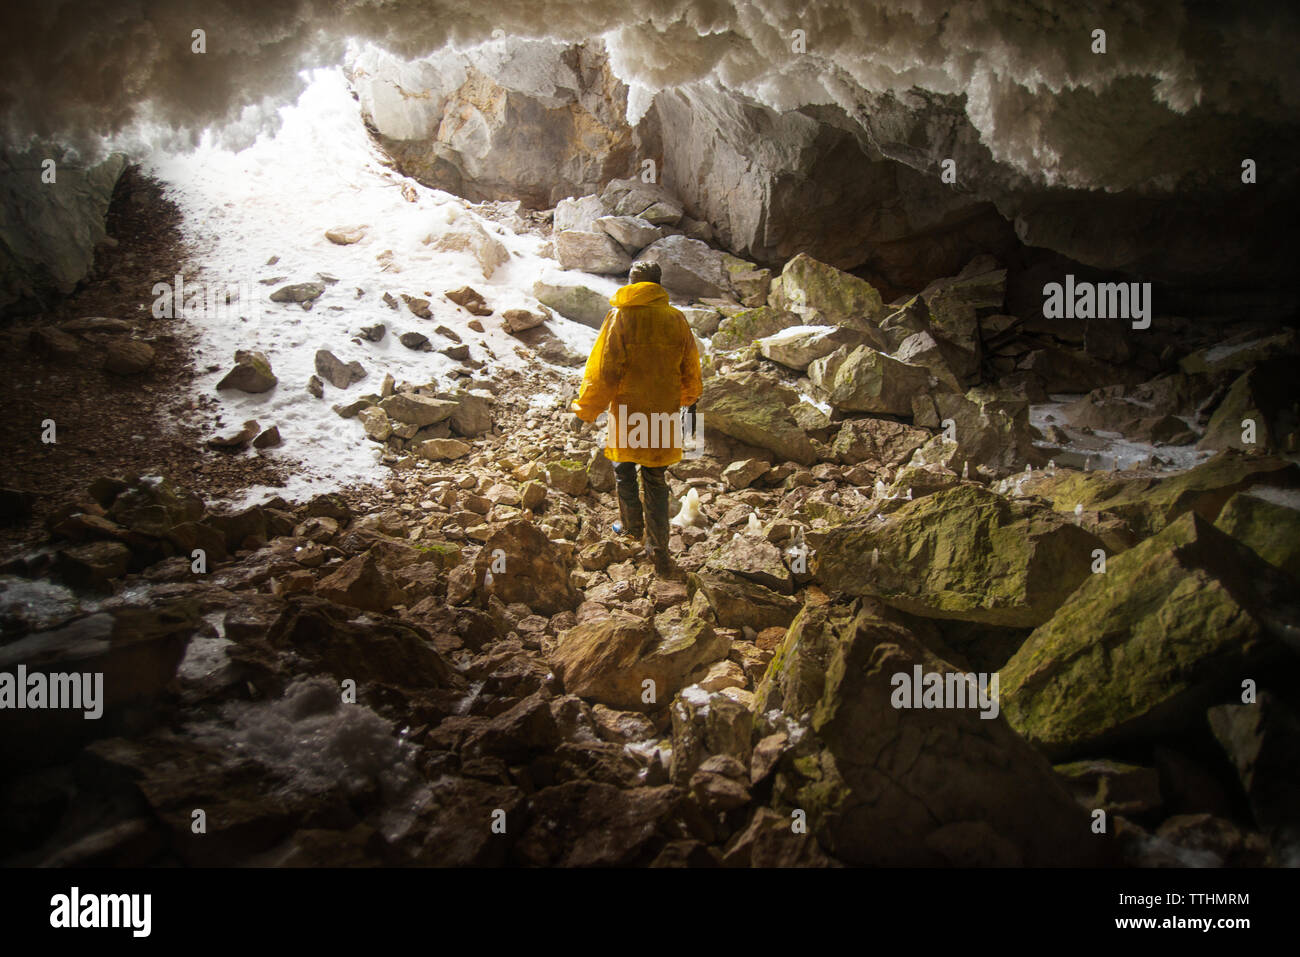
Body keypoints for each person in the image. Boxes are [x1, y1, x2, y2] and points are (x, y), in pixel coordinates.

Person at [571, 260, 702, 580]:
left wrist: (585, 410)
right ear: (658, 285)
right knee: (656, 480)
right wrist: (689, 399)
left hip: (628, 411)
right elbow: (690, 366)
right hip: (662, 410)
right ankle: (659, 548)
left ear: (632, 282)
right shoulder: (675, 319)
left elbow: (604, 371)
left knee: (624, 469)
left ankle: (631, 529)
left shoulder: (621, 316)